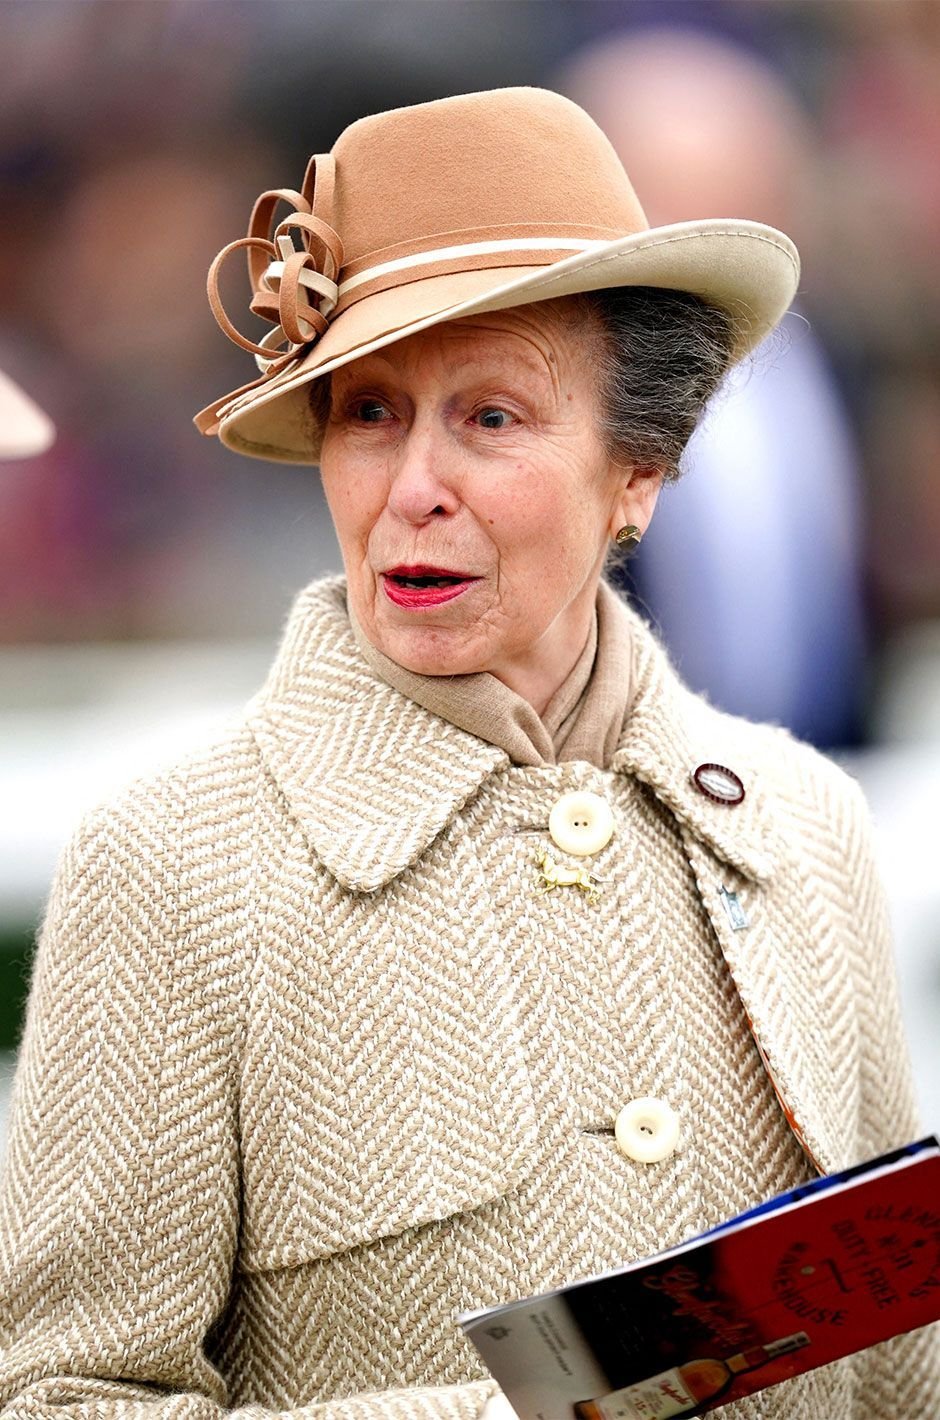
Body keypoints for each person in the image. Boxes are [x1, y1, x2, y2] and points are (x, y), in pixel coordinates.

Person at [0, 88, 935, 1419]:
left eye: (491, 417)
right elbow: (59, 1399)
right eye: (369, 413)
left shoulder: (805, 831)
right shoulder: (171, 868)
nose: (411, 487)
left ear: (640, 470)